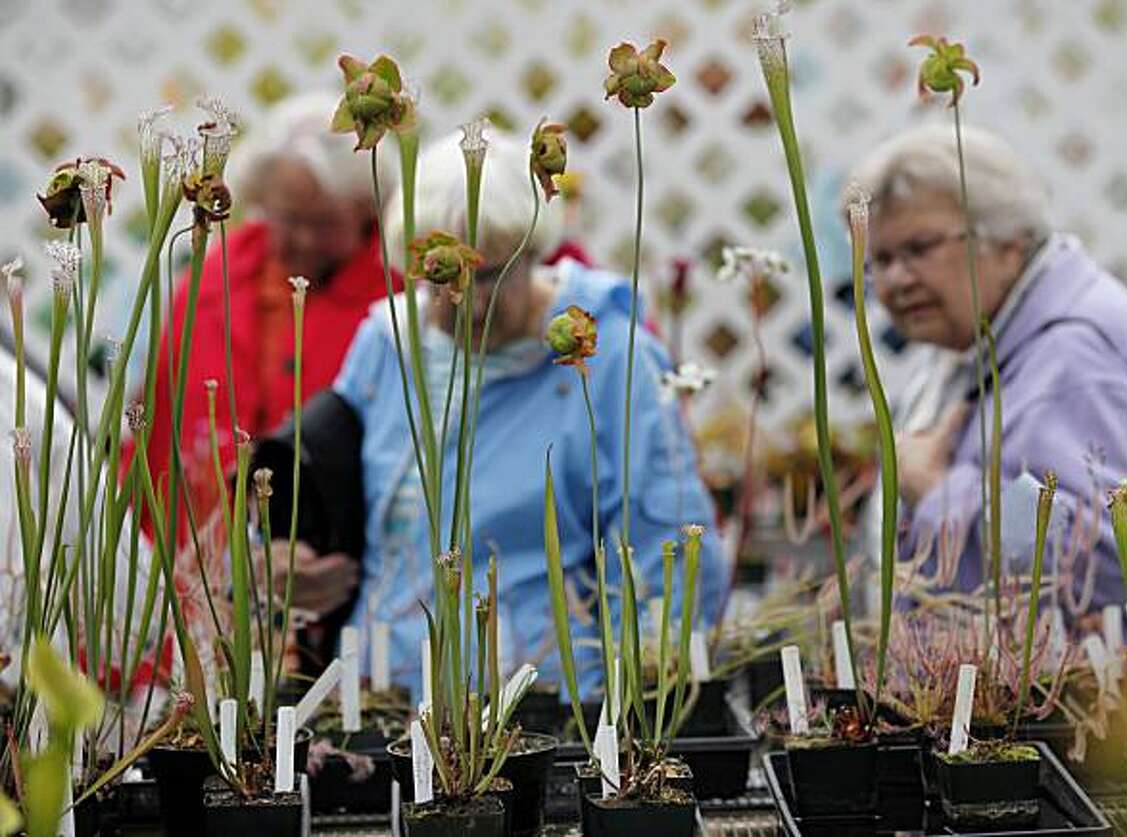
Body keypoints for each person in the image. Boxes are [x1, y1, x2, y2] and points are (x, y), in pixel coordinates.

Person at [273, 128, 725, 693]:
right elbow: (326, 488)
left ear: (535, 253)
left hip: (540, 692)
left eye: (493, 273)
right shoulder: (387, 345)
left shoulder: (604, 353)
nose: (473, 301)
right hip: (387, 679)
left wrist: (639, 687)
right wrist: (290, 552)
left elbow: (667, 539)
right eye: (445, 277)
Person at [846, 123, 1127, 634]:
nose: (896, 279)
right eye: (879, 259)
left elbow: (1097, 564)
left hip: (1104, 682)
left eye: (920, 248)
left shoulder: (1073, 354)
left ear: (1009, 240)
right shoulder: (986, 338)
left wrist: (939, 491)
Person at [139, 94, 396, 542]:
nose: (304, 239)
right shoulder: (211, 281)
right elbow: (160, 430)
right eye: (289, 219)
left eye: (324, 223)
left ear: (366, 211)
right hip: (197, 547)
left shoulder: (394, 301)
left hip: (330, 556)